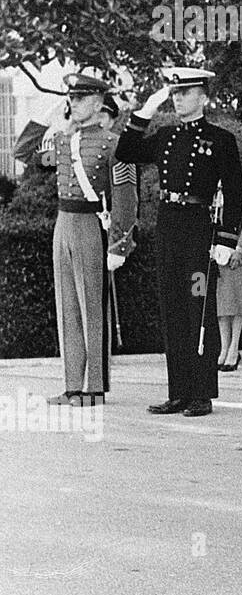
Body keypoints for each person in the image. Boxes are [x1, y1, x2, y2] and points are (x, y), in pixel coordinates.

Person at [116, 67, 242, 418]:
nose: (178, 98)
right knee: (172, 309)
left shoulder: (220, 139)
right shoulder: (166, 135)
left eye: (185, 92)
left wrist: (227, 239)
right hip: (169, 225)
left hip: (199, 229)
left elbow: (233, 192)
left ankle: (202, 393)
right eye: (175, 92)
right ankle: (179, 392)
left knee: (198, 308)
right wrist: (143, 112)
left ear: (203, 96)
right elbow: (125, 151)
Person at [40, 74, 138, 406]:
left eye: (79, 98)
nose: (73, 103)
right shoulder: (63, 140)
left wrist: (119, 243)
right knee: (67, 307)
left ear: (98, 103)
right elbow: (29, 154)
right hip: (63, 223)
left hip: (91, 225)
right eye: (71, 97)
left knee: (92, 309)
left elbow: (126, 198)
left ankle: (94, 387)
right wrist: (52, 116)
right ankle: (71, 386)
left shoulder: (113, 143)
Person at [215, 173, 242, 373]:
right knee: (220, 301)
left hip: (236, 248)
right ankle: (224, 347)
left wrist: (241, 248)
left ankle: (234, 348)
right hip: (215, 249)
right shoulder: (209, 180)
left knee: (238, 300)